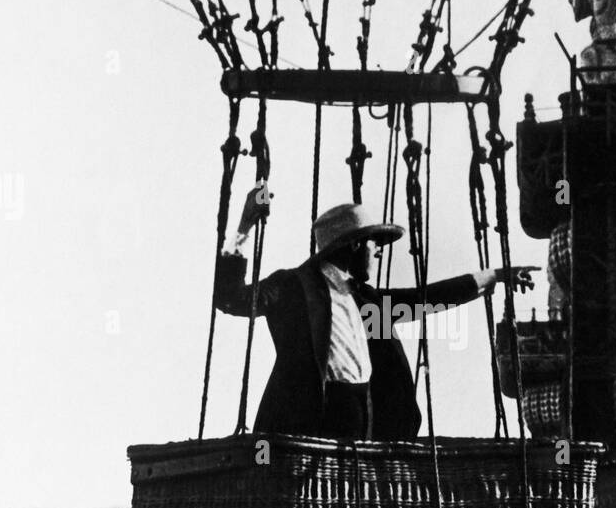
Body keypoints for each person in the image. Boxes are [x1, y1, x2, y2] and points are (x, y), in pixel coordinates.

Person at [214, 187, 536, 440]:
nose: (380, 251)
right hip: (307, 429)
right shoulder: (291, 287)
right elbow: (231, 298)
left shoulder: (366, 302)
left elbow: (426, 299)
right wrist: (244, 226)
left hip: (362, 430)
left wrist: (496, 275)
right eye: (374, 243)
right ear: (354, 246)